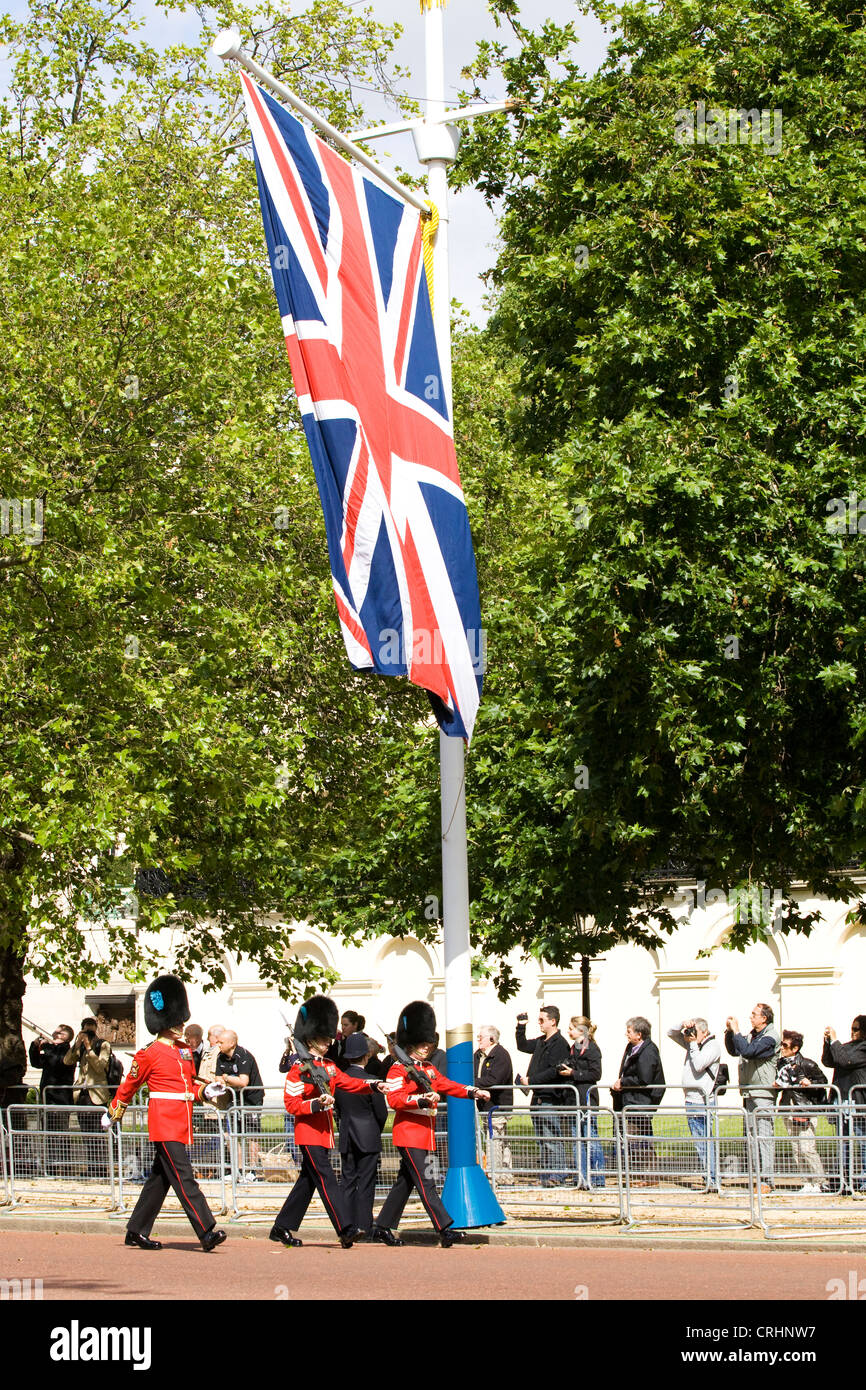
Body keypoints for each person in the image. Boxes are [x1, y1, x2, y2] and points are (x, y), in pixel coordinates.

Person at [104, 975, 229, 1251]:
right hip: (164, 1121)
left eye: (181, 1020)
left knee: (160, 1179)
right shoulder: (148, 1053)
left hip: (181, 1119)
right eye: (176, 1021)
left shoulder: (183, 1051)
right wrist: (114, 1110)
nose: (180, 1025)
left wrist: (206, 1092)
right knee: (185, 1176)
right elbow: (130, 1084)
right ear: (163, 1022)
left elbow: (191, 1084)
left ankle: (136, 1230)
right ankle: (206, 1230)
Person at [372, 1001, 489, 1247]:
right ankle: (445, 1229)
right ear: (412, 1044)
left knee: (404, 1184)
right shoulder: (397, 1070)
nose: (427, 1048)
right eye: (422, 1044)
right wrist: (421, 1100)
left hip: (423, 1134)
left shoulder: (428, 1068)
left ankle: (381, 1227)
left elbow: (447, 1084)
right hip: (408, 1134)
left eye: (428, 1044)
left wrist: (472, 1091)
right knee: (426, 1182)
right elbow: (395, 1099)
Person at [270, 996, 378, 1248]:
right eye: (322, 1039)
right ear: (310, 1040)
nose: (328, 1043)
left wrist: (374, 1085)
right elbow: (292, 1104)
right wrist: (316, 1104)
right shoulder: (298, 1069)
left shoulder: (328, 1067)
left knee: (307, 1183)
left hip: (323, 1133)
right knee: (327, 1178)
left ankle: (281, 1227)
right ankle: (345, 1228)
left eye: (328, 1039)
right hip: (308, 1133)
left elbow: (349, 1083)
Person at [334, 1032, 387, 1234]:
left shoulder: (340, 1081)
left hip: (347, 1132)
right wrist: (375, 1129)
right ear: (366, 1056)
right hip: (368, 1133)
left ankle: (346, 1225)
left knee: (347, 1181)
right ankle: (363, 1225)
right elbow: (381, 1113)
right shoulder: (372, 1080)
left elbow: (337, 1110)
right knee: (366, 1182)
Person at [725, 1003, 781, 1193]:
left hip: (763, 1093)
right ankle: (757, 1177)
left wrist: (737, 1031)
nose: (751, 1017)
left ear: (764, 1018)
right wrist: (729, 1032)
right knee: (752, 1138)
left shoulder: (770, 1037)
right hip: (750, 1092)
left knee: (764, 1137)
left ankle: (767, 1180)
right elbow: (735, 1050)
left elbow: (748, 1051)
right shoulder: (753, 1036)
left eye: (754, 1014)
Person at [515, 1005, 572, 1186]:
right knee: (542, 1139)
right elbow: (522, 1045)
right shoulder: (541, 1041)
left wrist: (531, 1080)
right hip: (538, 1097)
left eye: (542, 1020)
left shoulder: (560, 1044)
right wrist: (520, 1026)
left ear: (552, 1021)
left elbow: (554, 1071)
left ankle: (558, 1174)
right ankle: (546, 1175)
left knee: (552, 1138)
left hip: (550, 1097)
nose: (539, 1023)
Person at [667, 1017, 721, 1190]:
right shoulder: (695, 1045)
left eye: (694, 1031)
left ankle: (712, 1179)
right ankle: (709, 1178)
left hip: (702, 1101)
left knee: (705, 1141)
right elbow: (670, 1033)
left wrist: (692, 1044)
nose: (690, 1035)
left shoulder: (711, 1047)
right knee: (700, 1142)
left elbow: (698, 1065)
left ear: (704, 1032)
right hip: (691, 1099)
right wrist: (683, 1024)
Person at [611, 1017, 665, 1183]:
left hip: (640, 1101)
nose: (626, 1034)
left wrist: (623, 1082)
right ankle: (639, 1174)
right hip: (629, 1100)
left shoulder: (648, 1051)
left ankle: (649, 1176)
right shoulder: (632, 1048)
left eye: (629, 1032)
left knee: (640, 1140)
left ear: (639, 1035)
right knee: (633, 1139)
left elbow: (644, 1078)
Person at [774, 1030, 828, 1193]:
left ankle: (820, 1182)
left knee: (807, 1148)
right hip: (788, 1108)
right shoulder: (781, 1064)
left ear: (795, 1048)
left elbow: (823, 1081)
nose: (782, 1048)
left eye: (785, 1045)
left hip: (804, 1109)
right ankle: (806, 1181)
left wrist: (809, 1082)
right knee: (796, 1148)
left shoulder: (807, 1064)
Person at [558, 1017, 605, 1189]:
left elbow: (596, 1073)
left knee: (590, 1138)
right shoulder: (574, 1048)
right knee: (578, 1140)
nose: (569, 1031)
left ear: (581, 1031)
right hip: (574, 1100)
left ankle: (598, 1177)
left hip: (586, 1099)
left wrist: (574, 1073)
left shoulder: (592, 1049)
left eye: (571, 1028)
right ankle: (583, 1177)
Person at [822, 1015, 866, 1194]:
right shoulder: (846, 1047)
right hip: (841, 1100)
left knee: (863, 1141)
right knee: (843, 1142)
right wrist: (827, 1042)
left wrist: (834, 1041)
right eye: (852, 1028)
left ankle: (863, 1180)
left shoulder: (863, 1048)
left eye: (856, 1029)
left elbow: (845, 1060)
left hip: (858, 1101)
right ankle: (843, 1180)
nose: (852, 1031)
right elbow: (829, 1061)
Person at [64, 1017, 113, 1174]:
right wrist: (78, 1044)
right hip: (82, 1094)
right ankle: (91, 1167)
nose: (89, 1032)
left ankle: (101, 1168)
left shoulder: (103, 1045)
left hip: (97, 1094)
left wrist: (89, 1048)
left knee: (97, 1133)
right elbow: (67, 1061)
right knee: (86, 1132)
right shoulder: (80, 1047)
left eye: (91, 1028)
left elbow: (100, 1067)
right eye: (86, 1029)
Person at [216, 1029, 265, 1178]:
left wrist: (226, 1078)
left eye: (221, 1042)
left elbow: (243, 1081)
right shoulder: (220, 1057)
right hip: (234, 1098)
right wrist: (227, 1079)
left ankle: (252, 1170)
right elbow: (218, 1079)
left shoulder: (244, 1056)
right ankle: (237, 1170)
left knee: (251, 1134)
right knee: (230, 1133)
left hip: (251, 1099)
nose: (218, 1045)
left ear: (232, 1043)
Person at [28, 1025, 76, 1175]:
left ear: (66, 1037)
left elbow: (58, 1062)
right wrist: (34, 1048)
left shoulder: (67, 1050)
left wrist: (47, 1047)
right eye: (55, 1031)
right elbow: (37, 1063)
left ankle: (65, 1166)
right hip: (47, 1098)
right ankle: (52, 1166)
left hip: (60, 1098)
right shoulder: (51, 1050)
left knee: (62, 1134)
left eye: (59, 1032)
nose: (54, 1033)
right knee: (49, 1134)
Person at [474, 1025, 514, 1179]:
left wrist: (473, 1082)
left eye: (481, 1037)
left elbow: (494, 1080)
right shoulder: (478, 1055)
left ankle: (496, 1173)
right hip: (484, 1105)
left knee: (495, 1138)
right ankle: (503, 1175)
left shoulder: (500, 1055)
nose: (478, 1040)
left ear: (491, 1039)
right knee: (495, 1139)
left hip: (498, 1105)